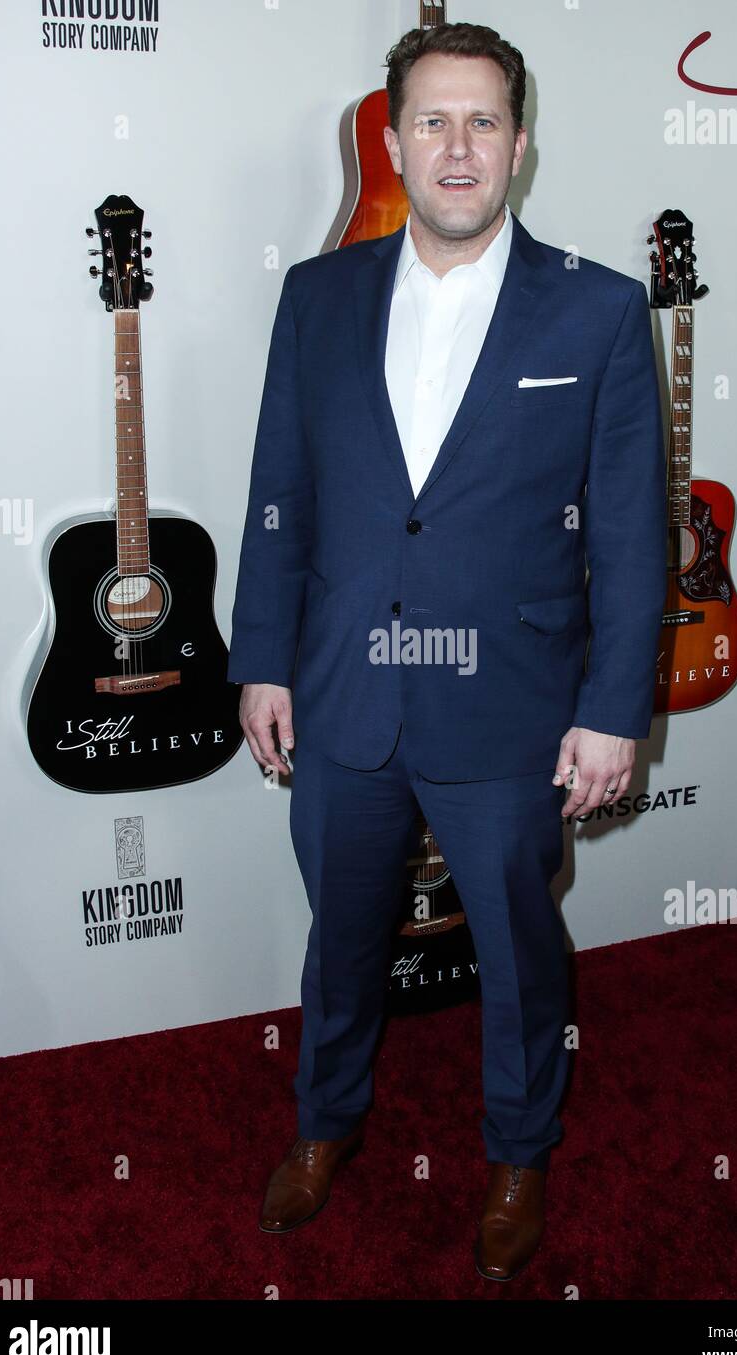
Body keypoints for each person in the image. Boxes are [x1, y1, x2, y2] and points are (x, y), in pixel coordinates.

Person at [227, 21, 666, 1281]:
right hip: (343, 691)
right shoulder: (317, 299)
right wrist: (264, 658)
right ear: (394, 139)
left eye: (482, 121)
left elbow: (631, 538)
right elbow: (280, 494)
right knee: (340, 932)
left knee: (521, 952)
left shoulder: (595, 308)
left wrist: (612, 709)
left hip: (515, 711)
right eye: (432, 120)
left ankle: (519, 1150)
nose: (457, 146)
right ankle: (324, 1124)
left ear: (520, 145)